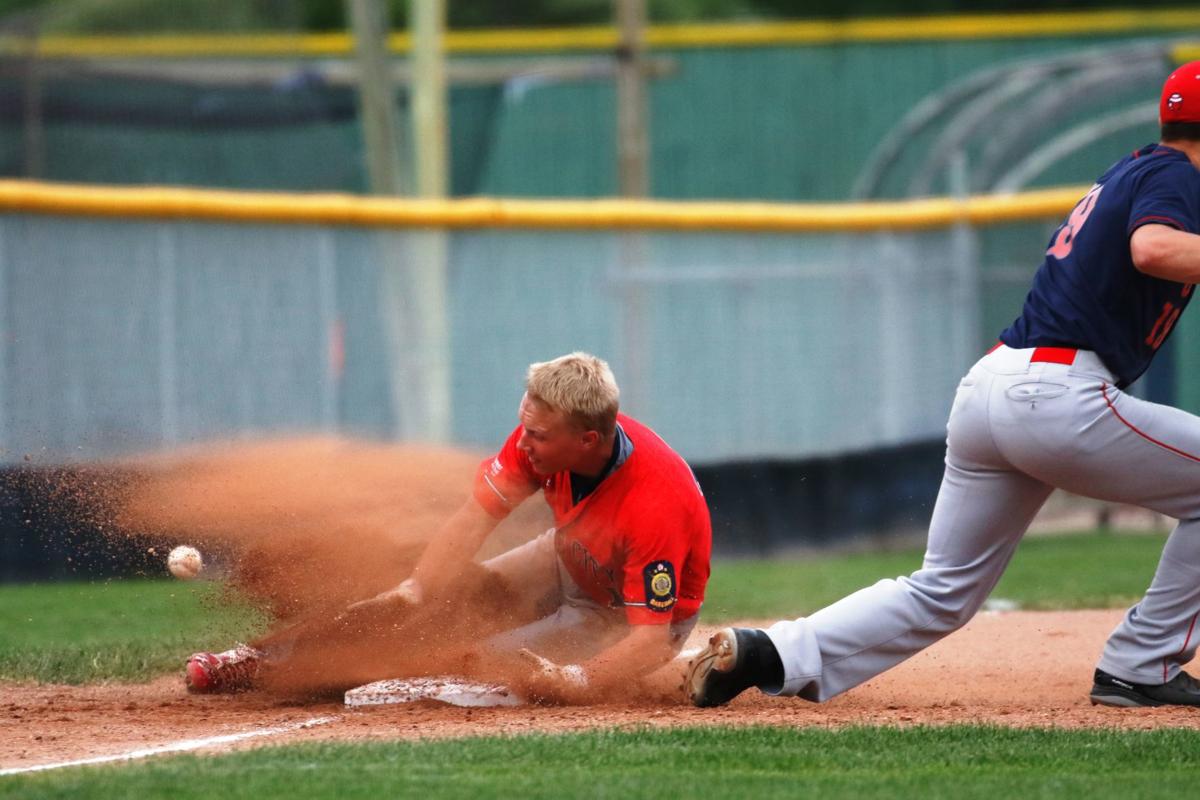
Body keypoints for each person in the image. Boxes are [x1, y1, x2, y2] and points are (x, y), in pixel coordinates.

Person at [687, 61, 1200, 710]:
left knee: (943, 590)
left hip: (994, 389)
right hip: (1055, 394)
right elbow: (1153, 249)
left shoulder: (1133, 168)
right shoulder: (1177, 174)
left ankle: (769, 652)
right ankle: (1141, 662)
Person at [187, 352, 712, 701]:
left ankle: (333, 681)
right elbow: (472, 522)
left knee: (480, 663)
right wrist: (418, 589)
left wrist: (575, 679)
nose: (524, 443)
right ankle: (260, 660)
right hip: (568, 556)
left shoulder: (653, 505)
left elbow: (649, 640)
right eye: (525, 425)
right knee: (450, 600)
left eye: (539, 435)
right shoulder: (543, 441)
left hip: (622, 616)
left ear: (588, 442)